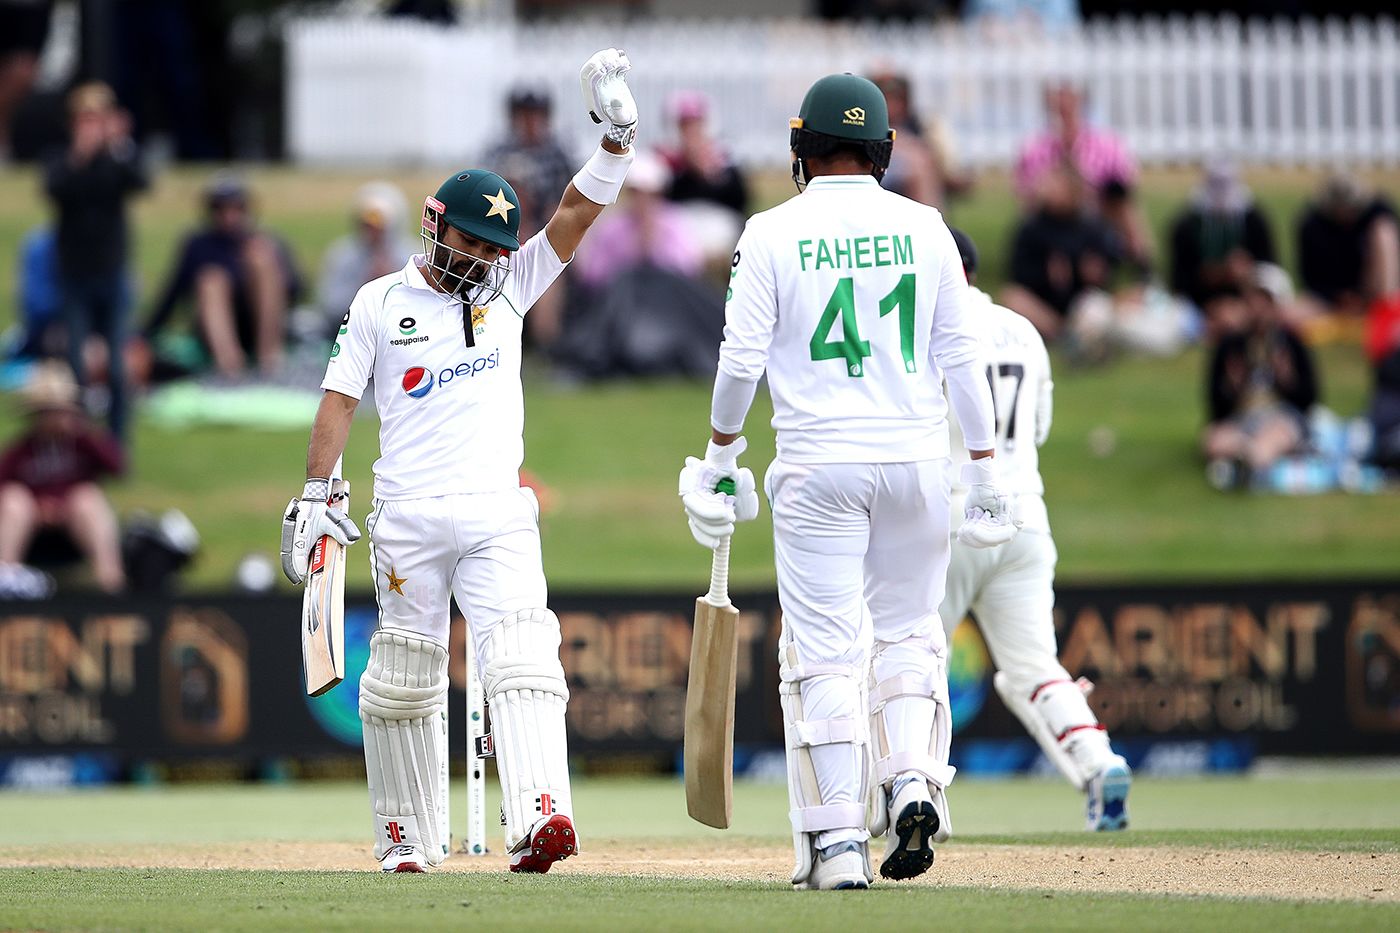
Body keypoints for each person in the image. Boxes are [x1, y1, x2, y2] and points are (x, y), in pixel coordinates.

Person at [278, 48, 637, 875]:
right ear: (434, 225)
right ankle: (407, 837)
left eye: (490, 248)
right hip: (405, 510)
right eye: (467, 243)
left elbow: (576, 217)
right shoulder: (378, 302)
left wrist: (616, 142)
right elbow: (337, 399)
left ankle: (542, 814)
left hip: (495, 505)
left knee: (519, 652)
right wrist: (316, 493)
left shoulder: (511, 282)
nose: (478, 261)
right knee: (403, 676)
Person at [678, 73, 1013, 891]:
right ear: (885, 150)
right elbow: (960, 360)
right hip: (914, 463)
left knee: (827, 651)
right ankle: (909, 781)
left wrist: (721, 454)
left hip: (818, 464)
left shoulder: (770, 231)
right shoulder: (927, 227)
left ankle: (835, 844)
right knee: (908, 636)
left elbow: (740, 363)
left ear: (801, 150)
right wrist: (985, 467)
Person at [938, 227, 1131, 832]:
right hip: (1024, 513)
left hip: (952, 513)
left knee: (908, 659)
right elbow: (1038, 429)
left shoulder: (925, 324)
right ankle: (1098, 762)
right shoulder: (1023, 328)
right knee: (1034, 666)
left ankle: (909, 794)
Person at [44, 81, 148, 443]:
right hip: (74, 276)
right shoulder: (63, 160)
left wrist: (117, 143)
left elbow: (141, 181)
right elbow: (55, 190)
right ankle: (78, 443)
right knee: (76, 365)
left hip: (113, 274)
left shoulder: (117, 161)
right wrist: (81, 153)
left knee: (118, 367)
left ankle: (117, 446)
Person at [142, 175, 301, 378]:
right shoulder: (197, 245)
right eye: (222, 210)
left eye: (236, 209)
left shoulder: (265, 241)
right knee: (212, 279)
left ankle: (270, 360)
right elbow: (173, 293)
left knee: (261, 262)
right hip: (215, 330)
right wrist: (145, 334)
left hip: (258, 325)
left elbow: (296, 290)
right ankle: (229, 366)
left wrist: (276, 267)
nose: (229, 217)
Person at [0, 362, 126, 593]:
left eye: (59, 410)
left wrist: (85, 433)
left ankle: (110, 583)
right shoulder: (22, 449)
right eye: (48, 412)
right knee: (13, 500)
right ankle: (6, 580)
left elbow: (117, 467)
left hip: (75, 522)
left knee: (87, 498)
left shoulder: (84, 443)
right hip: (31, 527)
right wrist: (39, 507)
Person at [1014, 82, 1152, 272]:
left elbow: (1124, 186)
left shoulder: (1107, 144)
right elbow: (1028, 195)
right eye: (1058, 97)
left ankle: (1141, 262)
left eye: (1069, 97)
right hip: (1055, 214)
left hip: (1098, 211)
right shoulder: (1035, 148)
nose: (1064, 105)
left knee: (1122, 206)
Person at [1204, 263, 1319, 489]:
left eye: (1265, 301)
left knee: (1276, 435)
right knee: (1214, 440)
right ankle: (1250, 459)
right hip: (1242, 418)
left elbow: (1309, 399)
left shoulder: (1291, 343)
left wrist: (1287, 379)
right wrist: (1232, 387)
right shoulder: (1230, 345)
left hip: (1280, 415)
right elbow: (1215, 406)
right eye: (1252, 300)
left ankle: (1249, 465)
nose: (1258, 308)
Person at [483, 88, 576, 349]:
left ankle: (548, 348)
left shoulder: (558, 153)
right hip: (496, 236)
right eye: (525, 115)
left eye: (536, 115)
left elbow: (566, 204)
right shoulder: (497, 152)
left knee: (548, 278)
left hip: (543, 231)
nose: (531, 122)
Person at [1000, 165, 1120, 342]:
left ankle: (1078, 335)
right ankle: (1062, 333)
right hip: (1042, 302)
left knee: (1098, 304)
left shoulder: (1091, 227)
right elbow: (1016, 273)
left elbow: (1109, 264)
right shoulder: (1032, 228)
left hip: (1079, 301)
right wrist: (1045, 274)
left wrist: (1092, 273)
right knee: (1013, 297)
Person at [1169, 161, 1276, 335]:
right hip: (1201, 303)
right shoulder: (1187, 226)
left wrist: (1248, 274)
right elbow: (1179, 281)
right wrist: (1215, 276)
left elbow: (1271, 271)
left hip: (1247, 301)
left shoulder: (1254, 221)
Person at [1296, 175, 1400, 326]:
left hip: (1373, 293)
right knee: (1290, 314)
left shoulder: (1377, 215)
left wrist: (1365, 296)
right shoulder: (1312, 225)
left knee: (1384, 232)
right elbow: (1309, 277)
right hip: (1330, 300)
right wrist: (1339, 297)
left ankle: (1385, 307)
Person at [317, 182, 416, 338]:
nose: (373, 233)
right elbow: (330, 305)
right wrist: (364, 285)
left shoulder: (412, 257)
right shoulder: (342, 255)